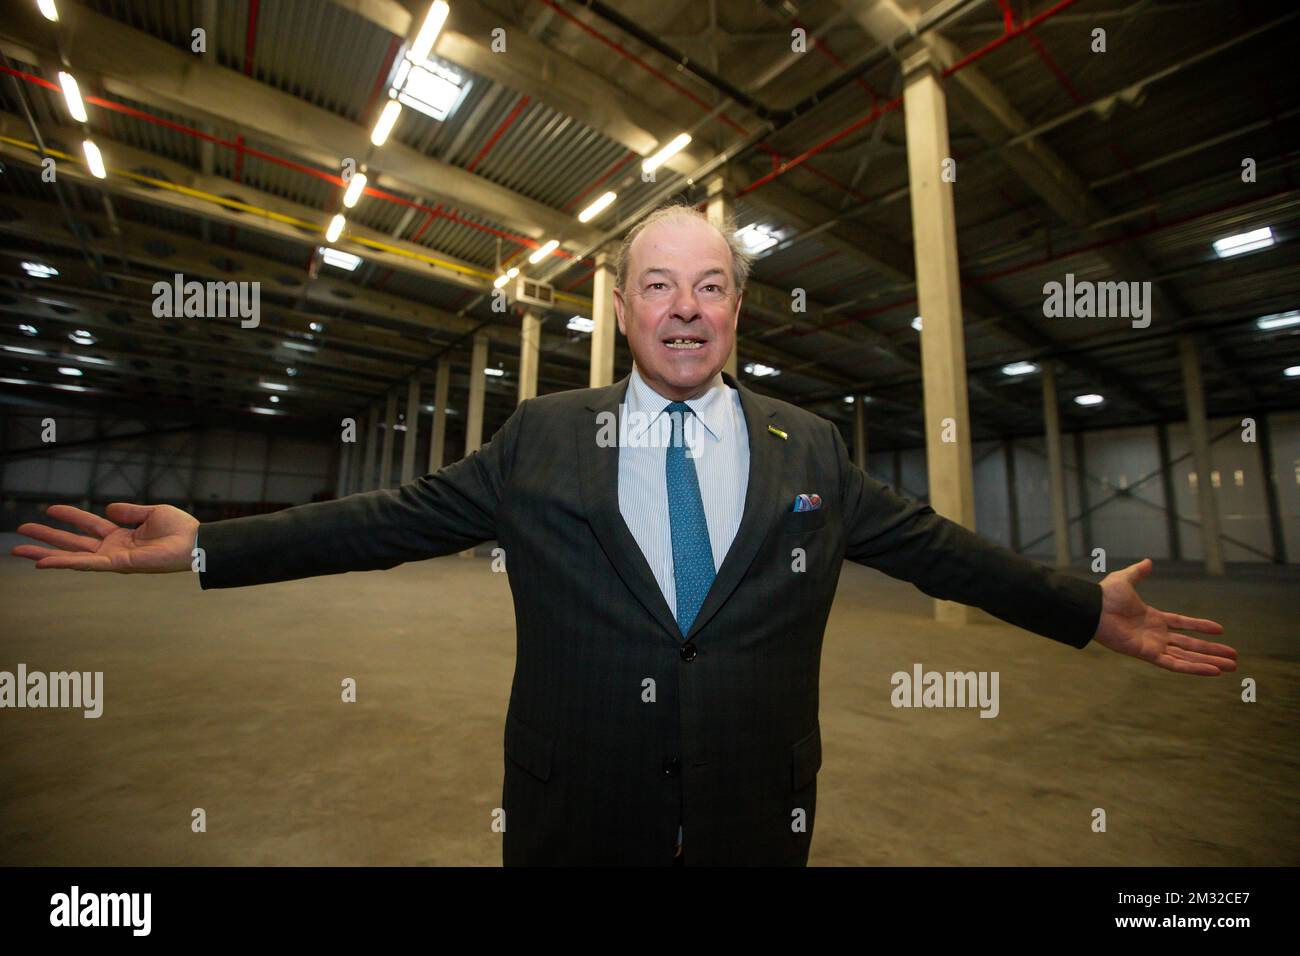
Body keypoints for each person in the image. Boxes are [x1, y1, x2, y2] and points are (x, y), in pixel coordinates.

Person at [12, 203, 1236, 866]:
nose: (685, 309)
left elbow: (932, 547)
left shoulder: (806, 446)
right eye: (658, 284)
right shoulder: (542, 434)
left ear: (738, 307)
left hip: (759, 815)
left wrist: (1087, 608)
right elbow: (386, 519)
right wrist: (208, 546)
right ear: (619, 305)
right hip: (573, 815)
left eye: (709, 286)